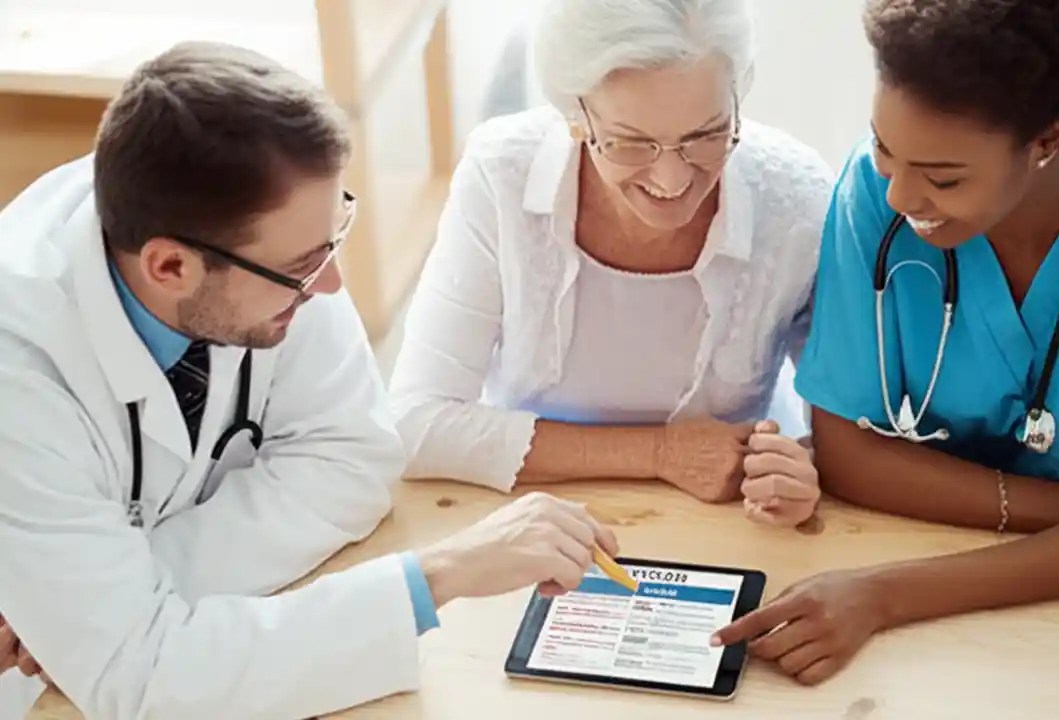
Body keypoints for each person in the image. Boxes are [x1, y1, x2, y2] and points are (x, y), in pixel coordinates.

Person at [0, 42, 620, 719]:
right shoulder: (20, 371)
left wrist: (95, 598)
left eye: (333, 239)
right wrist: (438, 575)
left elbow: (353, 456)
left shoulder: (249, 230)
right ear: (169, 267)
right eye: (300, 266)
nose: (329, 285)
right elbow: (147, 682)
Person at [712, 0, 1059, 685]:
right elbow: (849, 455)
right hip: (964, 547)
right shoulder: (875, 192)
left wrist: (885, 595)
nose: (897, 195)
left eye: (943, 177)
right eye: (884, 148)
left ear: (1046, 141)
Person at [387, 0, 833, 527]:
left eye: (707, 136)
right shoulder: (501, 174)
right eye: (630, 143)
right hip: (533, 517)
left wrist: (802, 469)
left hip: (729, 519)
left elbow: (846, 432)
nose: (671, 181)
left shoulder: (798, 198)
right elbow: (414, 424)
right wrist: (660, 454)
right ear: (575, 116)